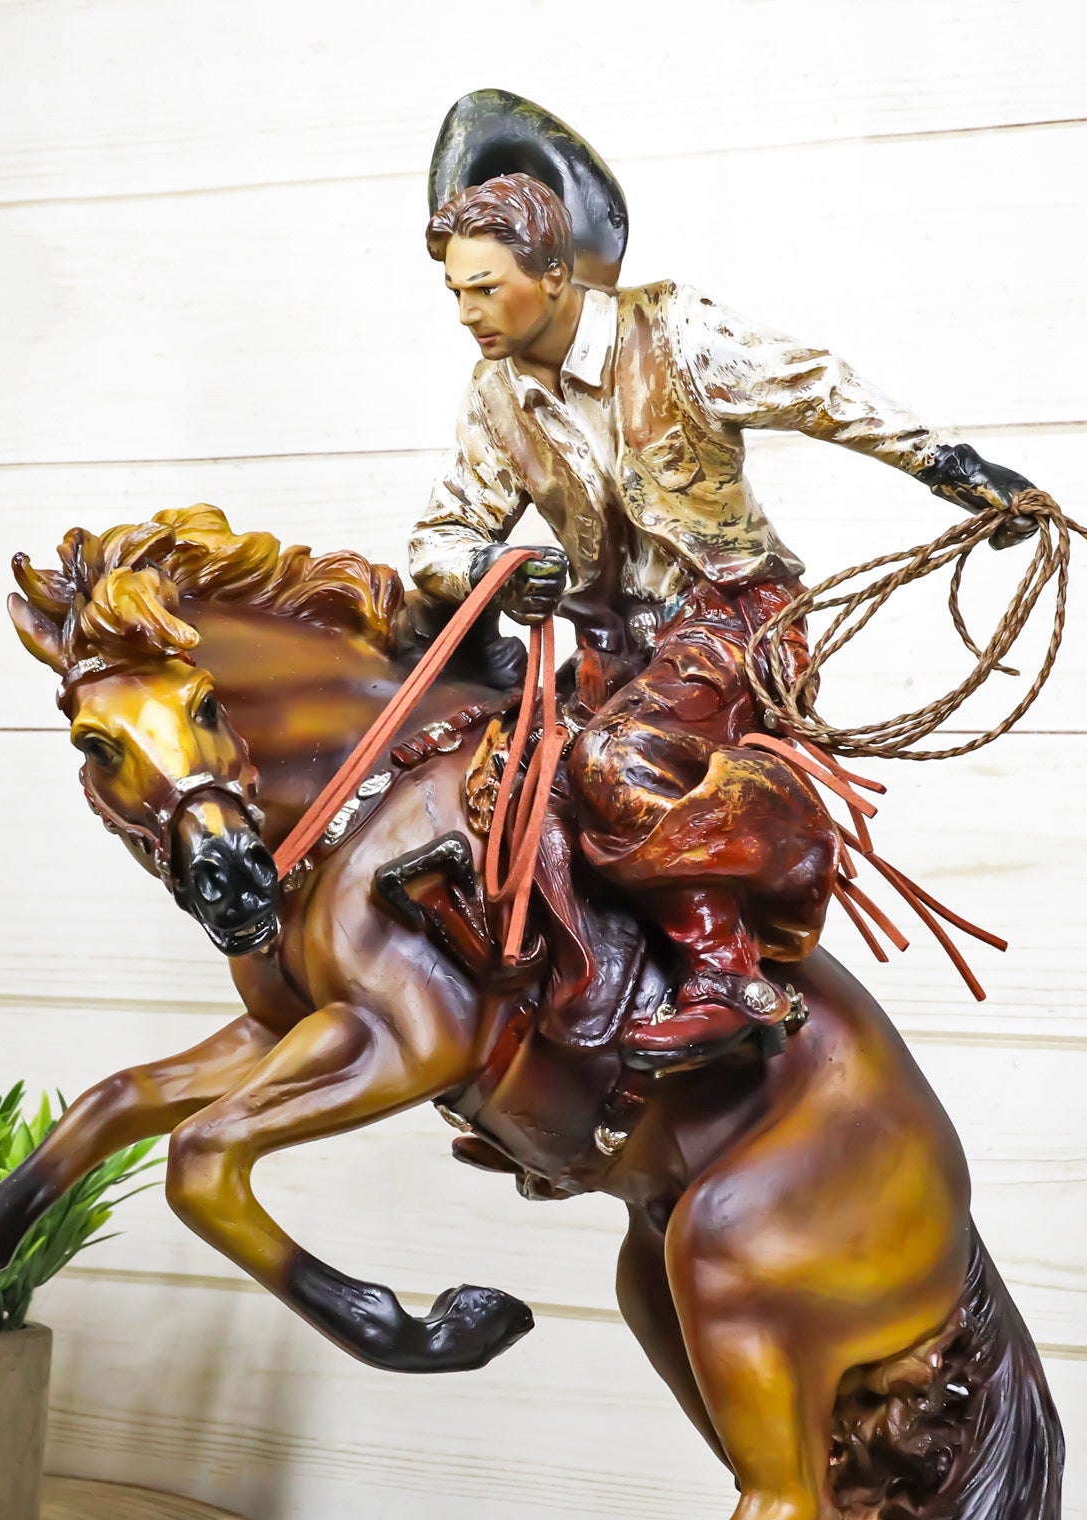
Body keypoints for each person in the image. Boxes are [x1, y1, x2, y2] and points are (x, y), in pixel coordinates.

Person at [410, 173, 1034, 1069]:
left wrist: (953, 470)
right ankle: (563, 1017)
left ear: (551, 272)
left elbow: (819, 389)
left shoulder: (671, 329)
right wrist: (489, 569)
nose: (467, 311)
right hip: (610, 652)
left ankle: (729, 976)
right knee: (500, 779)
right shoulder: (494, 394)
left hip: (734, 618)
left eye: (483, 287)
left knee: (617, 759)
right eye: (454, 292)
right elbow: (444, 527)